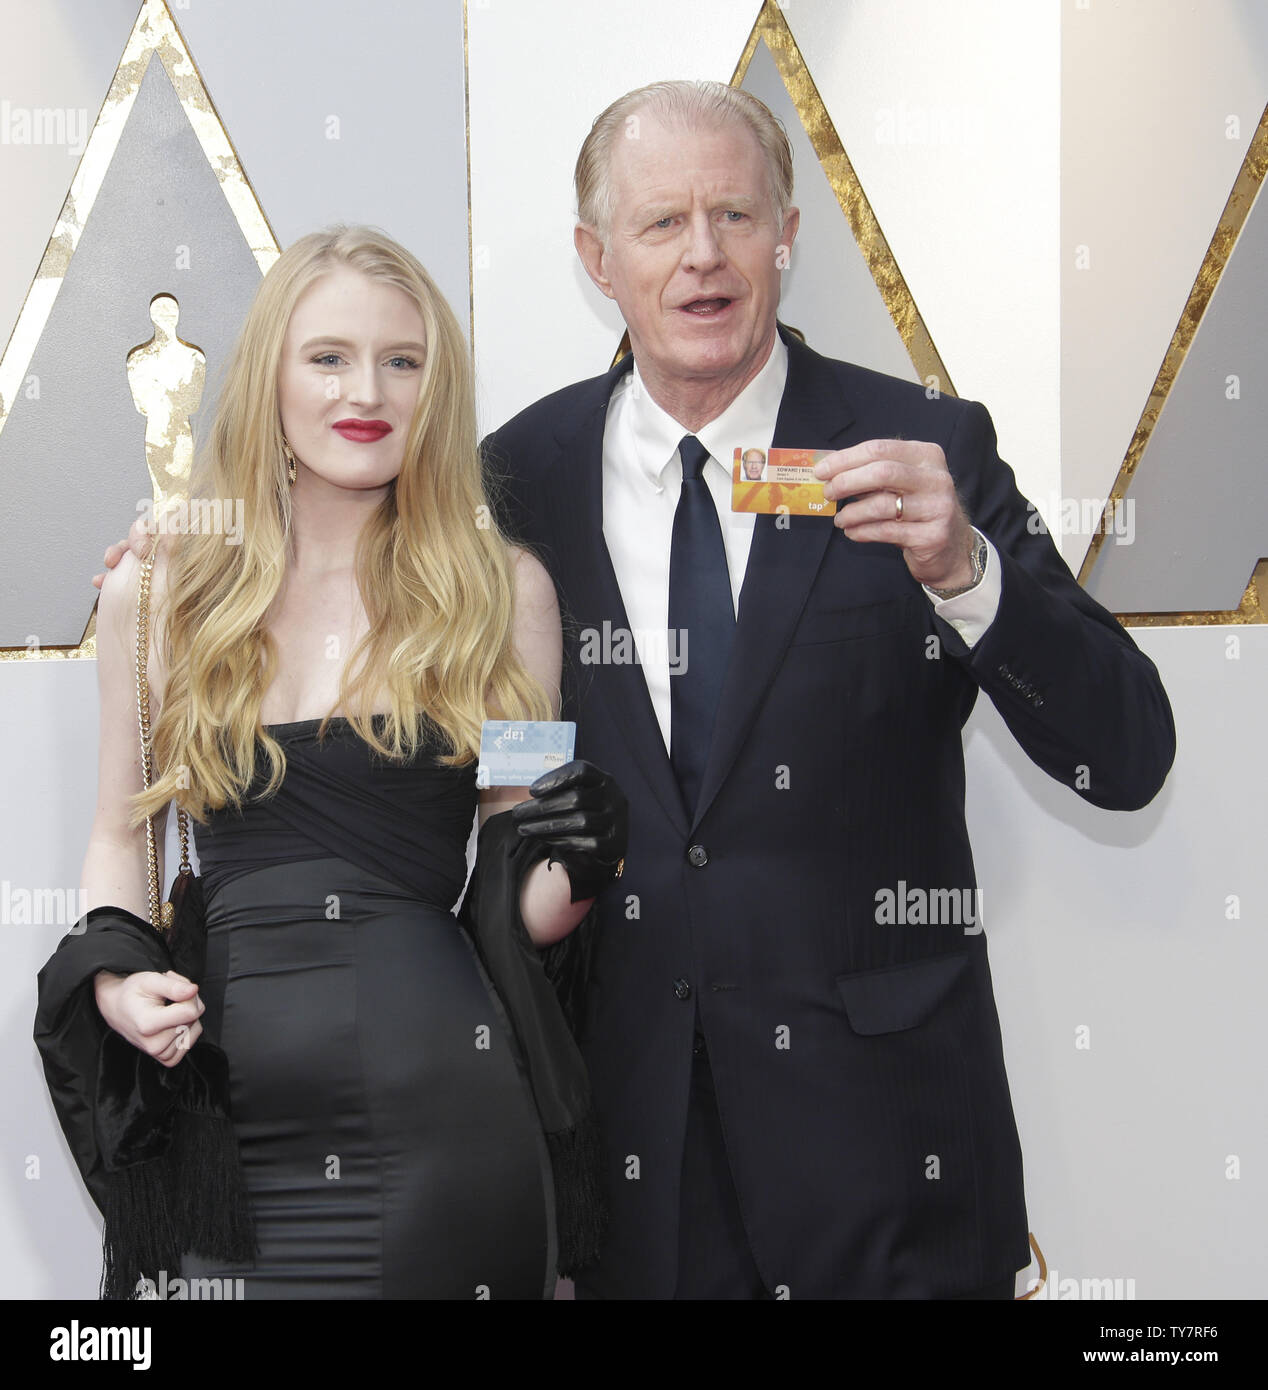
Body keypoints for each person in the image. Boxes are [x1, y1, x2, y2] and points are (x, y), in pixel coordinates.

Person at [100, 85, 1176, 1301]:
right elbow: (368, 611)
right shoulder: (511, 484)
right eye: (660, 223)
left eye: (733, 213)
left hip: (887, 1165)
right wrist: (183, 542)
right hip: (624, 1175)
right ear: (595, 258)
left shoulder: (917, 444)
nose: (702, 254)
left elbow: (1125, 751)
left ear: (787, 234)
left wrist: (965, 572)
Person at [38, 225, 625, 1300]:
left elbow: (515, 883)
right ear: (268, 374)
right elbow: (119, 833)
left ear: (435, 387)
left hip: (445, 1110)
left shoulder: (505, 595)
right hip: (225, 1123)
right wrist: (116, 983)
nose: (368, 390)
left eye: (403, 360)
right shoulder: (160, 595)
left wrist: (580, 855)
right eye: (329, 356)